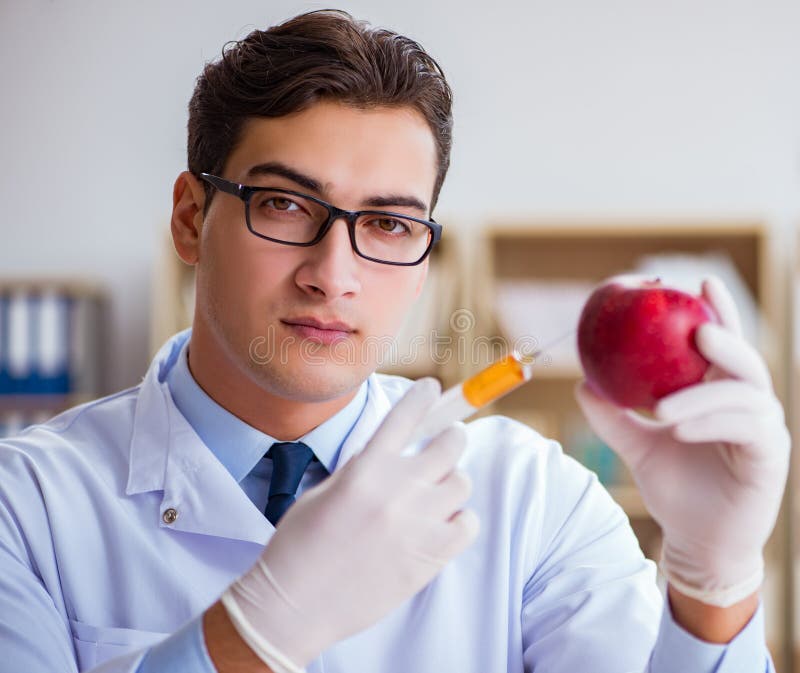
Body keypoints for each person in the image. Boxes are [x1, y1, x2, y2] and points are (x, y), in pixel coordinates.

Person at [0, 9, 789, 673]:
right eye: (282, 205)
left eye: (386, 223)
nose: (332, 273)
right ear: (188, 219)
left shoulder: (534, 501)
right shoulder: (25, 506)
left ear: (423, 260)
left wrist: (712, 588)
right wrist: (252, 632)